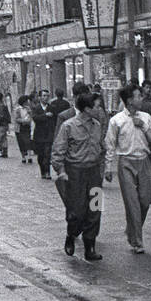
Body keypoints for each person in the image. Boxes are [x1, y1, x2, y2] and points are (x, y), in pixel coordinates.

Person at [105, 84, 151, 254]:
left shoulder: (147, 117)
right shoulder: (116, 120)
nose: (141, 99)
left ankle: (132, 229)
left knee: (144, 201)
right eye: (138, 96)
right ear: (129, 100)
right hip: (125, 162)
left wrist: (143, 126)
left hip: (144, 161)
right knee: (132, 203)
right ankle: (137, 241)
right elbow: (110, 144)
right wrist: (108, 167)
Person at [51, 92, 106, 262]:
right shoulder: (68, 126)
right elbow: (57, 151)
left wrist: (103, 167)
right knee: (77, 211)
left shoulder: (97, 125)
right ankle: (71, 233)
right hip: (75, 173)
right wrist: (61, 172)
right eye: (97, 106)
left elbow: (102, 147)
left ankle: (90, 246)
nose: (100, 109)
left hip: (94, 172)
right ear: (87, 108)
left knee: (96, 209)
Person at [31, 93, 58, 179]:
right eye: (44, 96)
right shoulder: (36, 108)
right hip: (39, 135)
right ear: (40, 97)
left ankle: (47, 172)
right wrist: (45, 115)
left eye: (47, 96)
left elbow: (55, 120)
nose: (46, 98)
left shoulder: (52, 108)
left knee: (47, 153)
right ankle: (42, 171)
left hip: (49, 134)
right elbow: (35, 118)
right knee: (40, 155)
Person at [14, 95, 35, 164]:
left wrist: (30, 113)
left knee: (28, 142)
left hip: (27, 127)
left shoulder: (28, 108)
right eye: (26, 101)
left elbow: (31, 116)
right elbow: (16, 119)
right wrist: (23, 121)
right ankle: (23, 157)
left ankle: (29, 157)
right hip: (20, 128)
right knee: (21, 143)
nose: (27, 102)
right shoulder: (17, 109)